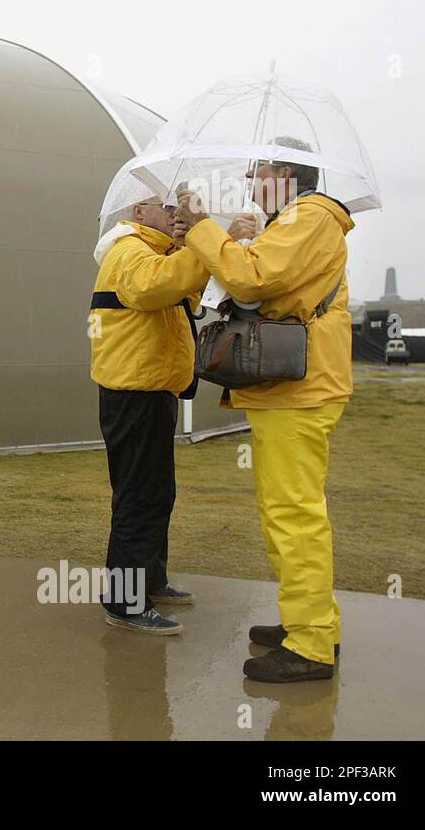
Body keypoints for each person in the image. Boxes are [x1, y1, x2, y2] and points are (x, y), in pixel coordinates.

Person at [176, 137, 352, 682]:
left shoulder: (310, 217)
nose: (251, 181)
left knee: (293, 514)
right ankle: (312, 622)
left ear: (287, 173)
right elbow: (255, 286)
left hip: (298, 391)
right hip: (291, 388)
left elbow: (251, 278)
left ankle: (311, 645)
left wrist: (203, 225)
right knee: (289, 511)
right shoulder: (296, 221)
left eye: (259, 171)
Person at [90, 197, 209, 635]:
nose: (173, 212)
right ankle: (124, 602)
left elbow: (185, 296)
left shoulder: (153, 253)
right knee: (139, 498)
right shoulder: (129, 251)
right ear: (137, 213)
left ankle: (151, 580)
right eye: (164, 206)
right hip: (134, 393)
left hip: (151, 390)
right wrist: (204, 245)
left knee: (157, 492)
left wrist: (183, 249)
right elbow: (154, 287)